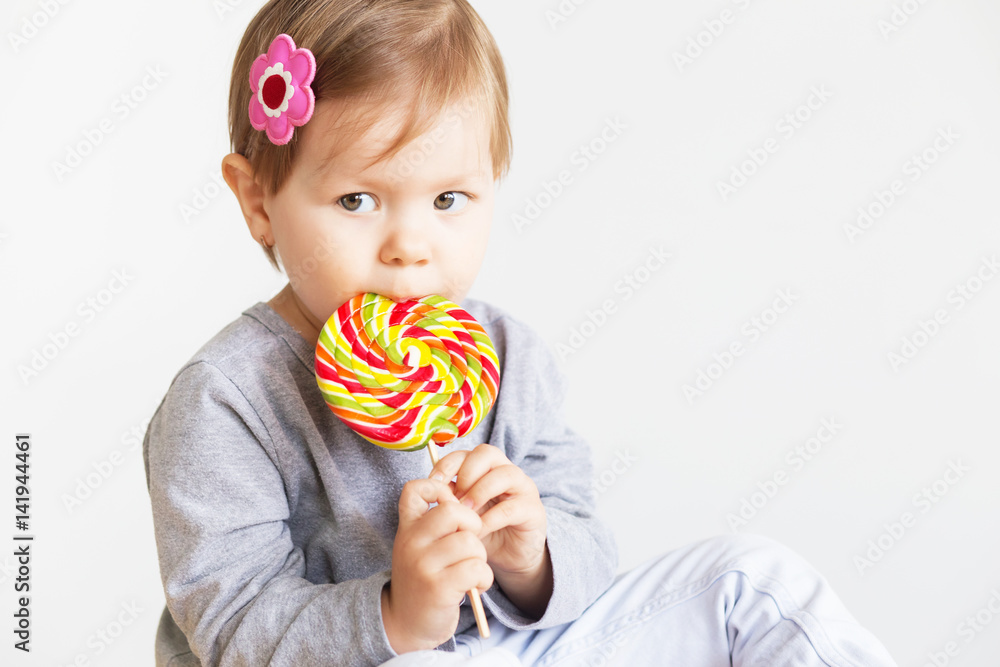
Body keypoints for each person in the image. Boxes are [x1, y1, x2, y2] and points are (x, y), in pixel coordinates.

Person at [141, 0, 898, 665]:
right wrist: (397, 615)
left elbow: (591, 542)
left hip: (532, 645)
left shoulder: (502, 357)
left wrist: (531, 557)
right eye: (357, 198)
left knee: (752, 581)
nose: (411, 243)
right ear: (258, 200)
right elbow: (232, 626)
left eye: (449, 197)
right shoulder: (225, 402)